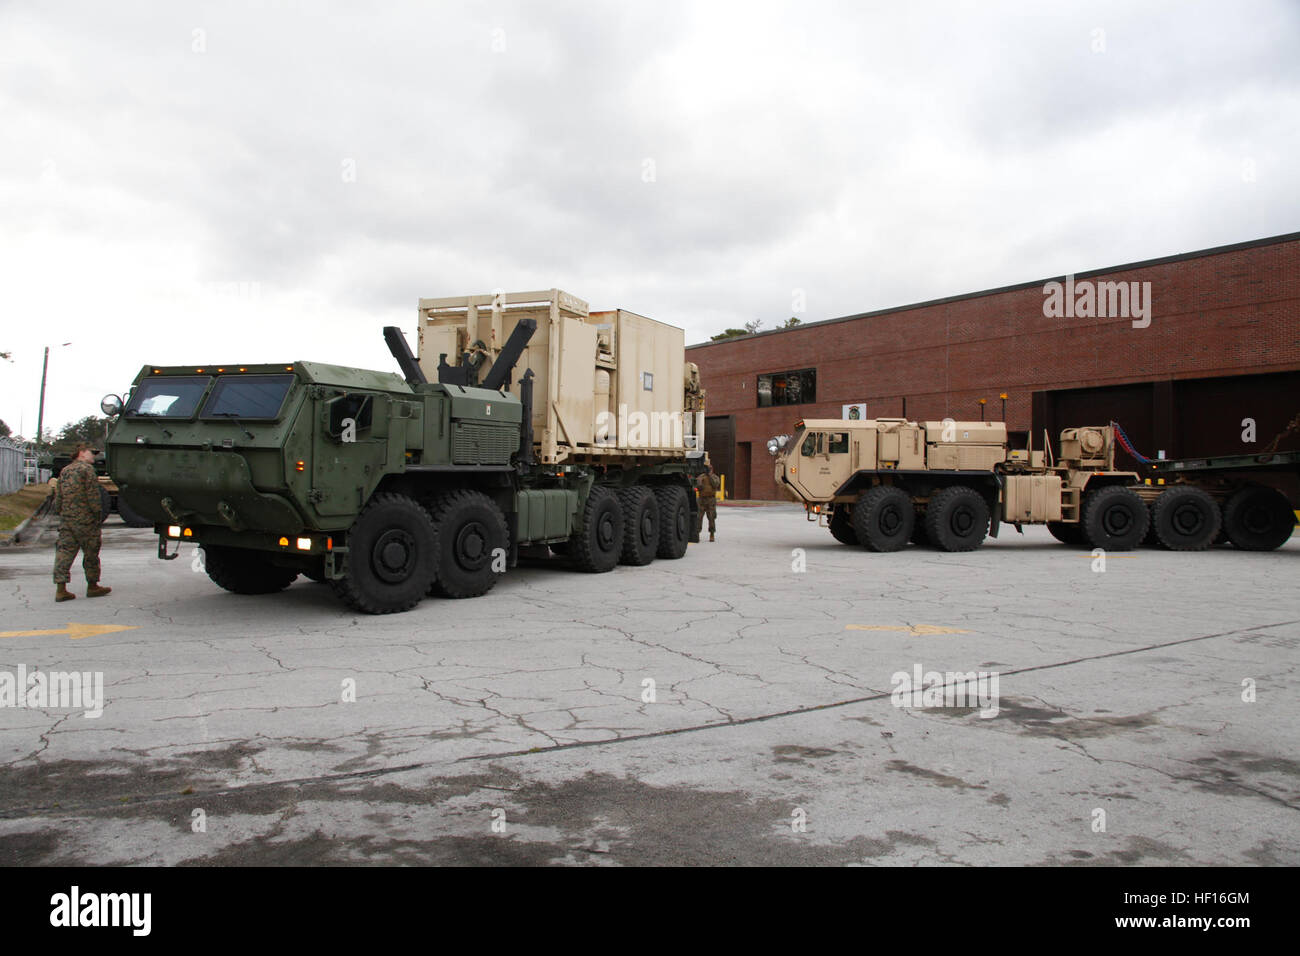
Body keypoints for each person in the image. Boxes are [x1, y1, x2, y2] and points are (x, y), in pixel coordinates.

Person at [52, 442, 111, 602]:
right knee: (91, 553)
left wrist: (61, 513)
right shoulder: (87, 470)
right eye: (92, 452)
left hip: (67, 519)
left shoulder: (65, 470)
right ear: (82, 453)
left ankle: (61, 589)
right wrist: (98, 514)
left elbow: (59, 496)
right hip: (86, 520)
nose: (94, 455)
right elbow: (93, 494)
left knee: (64, 552)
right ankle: (92, 586)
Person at [694, 463, 722, 542]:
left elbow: (715, 485)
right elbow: (697, 487)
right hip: (701, 500)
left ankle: (712, 534)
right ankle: (697, 534)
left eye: (709, 469)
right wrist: (699, 483)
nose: (708, 470)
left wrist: (709, 476)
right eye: (707, 469)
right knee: (699, 517)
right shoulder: (701, 477)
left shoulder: (715, 477)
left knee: (711, 517)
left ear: (712, 470)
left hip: (711, 500)